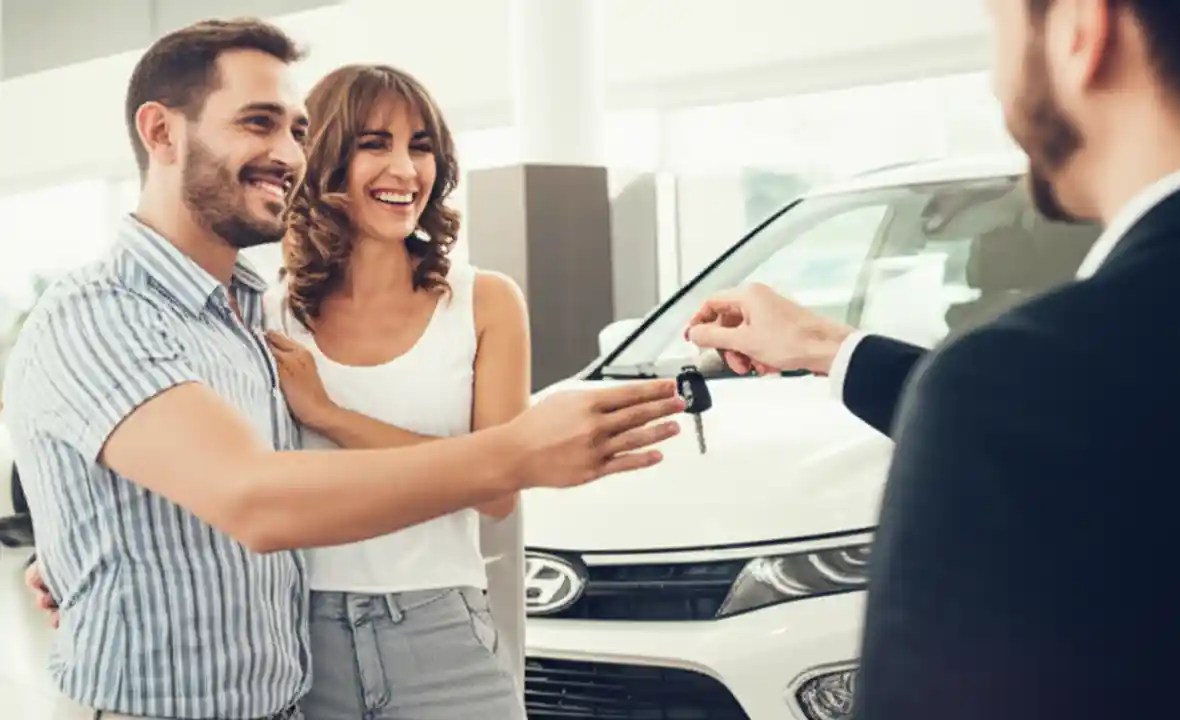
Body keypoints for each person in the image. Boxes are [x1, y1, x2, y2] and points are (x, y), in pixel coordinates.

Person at [4, 18, 682, 720]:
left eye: (295, 130)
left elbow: (182, 485)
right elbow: (248, 493)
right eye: (259, 122)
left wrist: (78, 552)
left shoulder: (237, 308)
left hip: (399, 642)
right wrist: (517, 452)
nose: (404, 169)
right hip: (301, 651)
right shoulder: (231, 311)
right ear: (161, 132)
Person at [685, 1, 1180, 718]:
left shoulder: (1025, 388)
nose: (996, 85)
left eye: (996, 28)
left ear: (1081, 32)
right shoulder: (1042, 388)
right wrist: (827, 347)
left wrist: (969, 389)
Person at [260, 63, 527, 719]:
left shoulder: (485, 302)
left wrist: (329, 415)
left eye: (421, 145)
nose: (406, 170)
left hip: (444, 635)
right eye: (374, 144)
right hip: (297, 640)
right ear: (320, 157)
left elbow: (497, 489)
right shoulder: (266, 318)